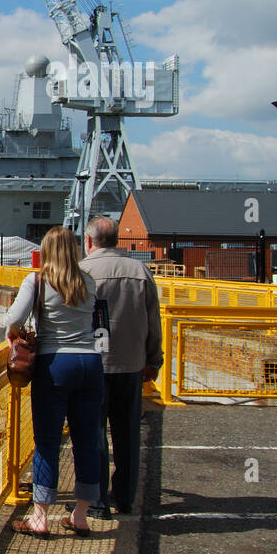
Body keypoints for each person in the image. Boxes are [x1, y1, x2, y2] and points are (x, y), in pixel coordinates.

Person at [5, 226, 104, 537]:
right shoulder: (88, 281)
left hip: (55, 364)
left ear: (46, 250)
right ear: (75, 249)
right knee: (87, 442)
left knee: (47, 442)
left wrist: (13, 336)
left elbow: (13, 319)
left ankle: (40, 517)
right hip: (90, 363)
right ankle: (81, 515)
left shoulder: (36, 281)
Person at [79, 216, 162, 516]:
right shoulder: (140, 271)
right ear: (118, 240)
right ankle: (125, 497)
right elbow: (154, 320)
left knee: (94, 432)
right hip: (131, 364)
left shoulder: (82, 271)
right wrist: (154, 359)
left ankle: (97, 501)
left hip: (91, 364)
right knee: (127, 432)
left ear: (89, 241)